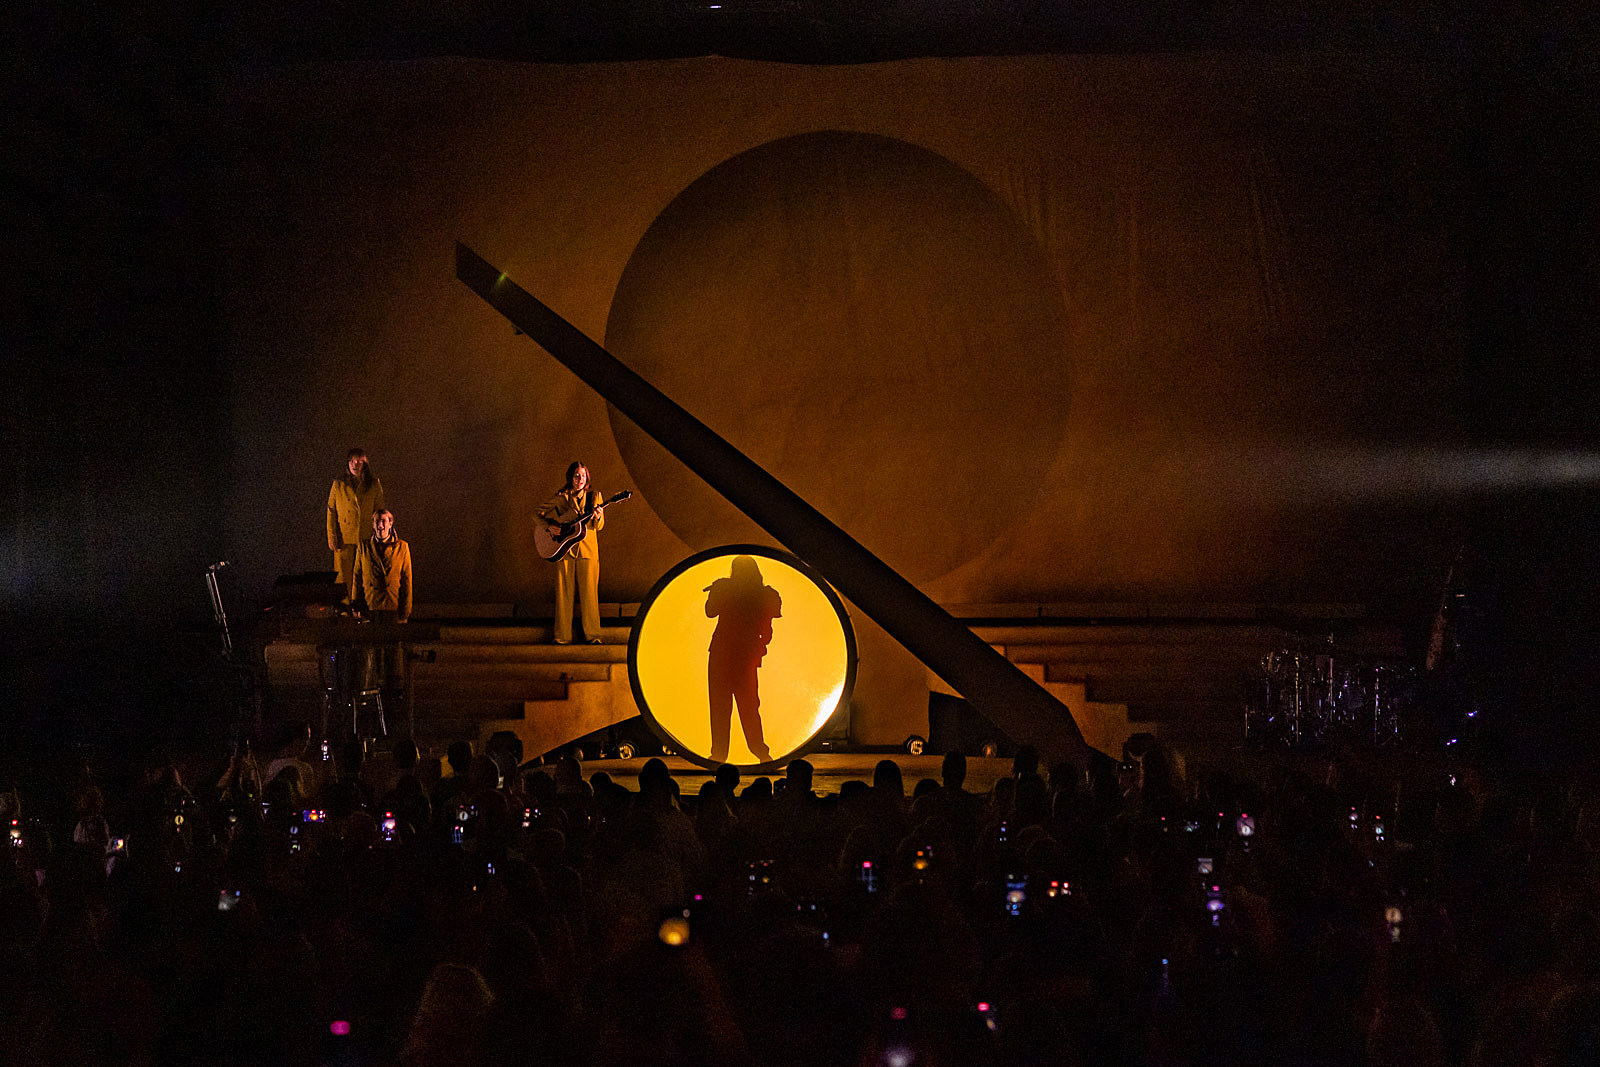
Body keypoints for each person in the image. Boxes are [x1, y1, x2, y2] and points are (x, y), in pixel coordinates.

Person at [703, 555, 781, 764]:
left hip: (722, 654)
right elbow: (768, 625)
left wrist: (718, 590)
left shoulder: (727, 589)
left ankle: (720, 754)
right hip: (745, 655)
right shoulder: (765, 594)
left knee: (720, 706)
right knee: (749, 706)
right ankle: (760, 752)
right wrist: (760, 647)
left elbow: (710, 612)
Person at [536, 462, 605, 645]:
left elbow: (599, 526)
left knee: (590, 594)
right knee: (563, 594)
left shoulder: (595, 496)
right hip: (564, 550)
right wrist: (549, 526)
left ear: (587, 478)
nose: (579, 479)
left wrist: (598, 516)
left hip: (588, 551)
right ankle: (562, 636)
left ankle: (593, 635)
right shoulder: (561, 498)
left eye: (582, 475)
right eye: (576, 475)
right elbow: (537, 514)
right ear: (570, 477)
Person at [326, 447, 384, 603]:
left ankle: (363, 610)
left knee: (366, 576)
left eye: (358, 461)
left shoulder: (373, 484)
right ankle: (344, 611)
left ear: (365, 463)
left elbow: (380, 512)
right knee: (343, 577)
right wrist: (332, 535)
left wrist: (380, 537)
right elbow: (331, 510)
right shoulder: (339, 484)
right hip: (343, 538)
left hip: (366, 537)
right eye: (351, 461)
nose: (354, 464)